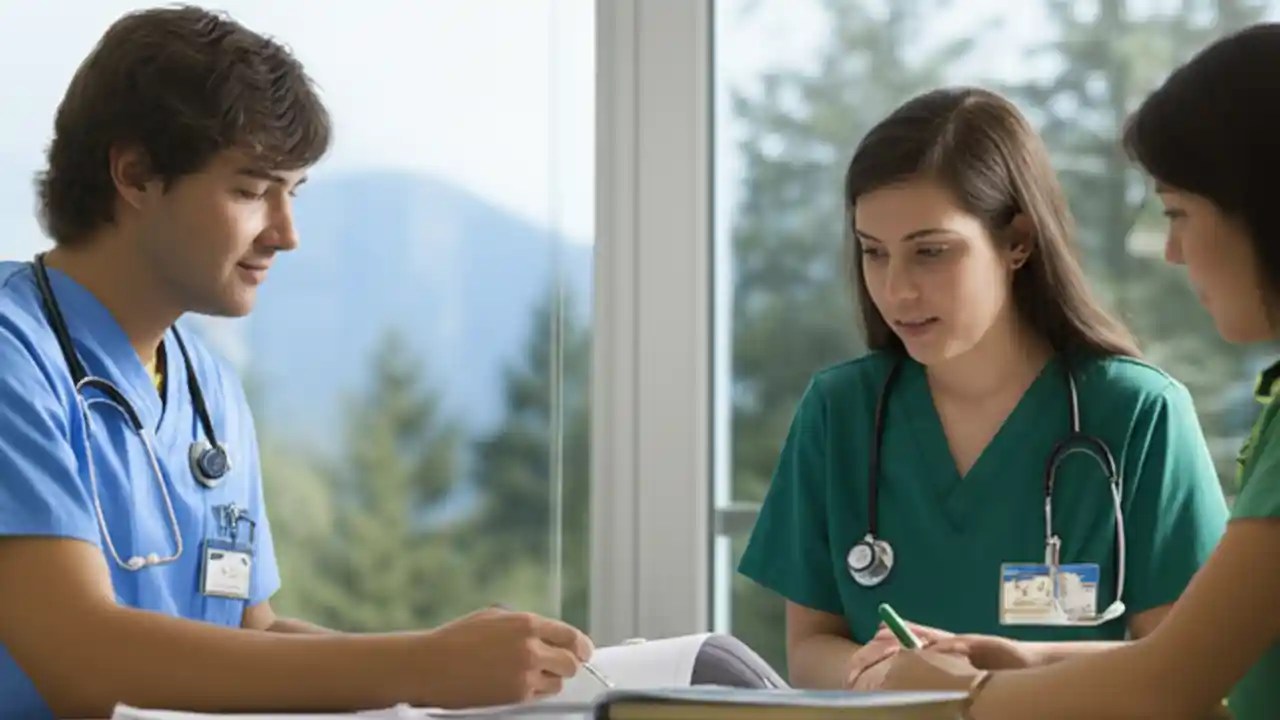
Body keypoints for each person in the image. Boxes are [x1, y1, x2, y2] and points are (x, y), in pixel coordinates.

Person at [0, 7, 592, 718]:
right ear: (134, 174)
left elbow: (255, 635)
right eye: (251, 191)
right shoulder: (15, 353)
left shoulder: (208, 388)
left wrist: (453, 680)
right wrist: (424, 663)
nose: (286, 234)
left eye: (293, 193)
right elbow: (80, 658)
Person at [735, 86, 1230, 691]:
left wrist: (989, 679)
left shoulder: (1138, 415)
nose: (897, 290)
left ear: (1017, 240)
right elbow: (812, 644)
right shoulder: (840, 413)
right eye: (874, 253)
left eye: (931, 253)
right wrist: (887, 678)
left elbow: (1185, 667)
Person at [877, 23, 1280, 720]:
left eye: (1178, 213)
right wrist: (1031, 658)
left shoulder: (1140, 407)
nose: (1174, 251)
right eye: (873, 252)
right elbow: (1209, 654)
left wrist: (964, 698)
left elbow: (1173, 682)